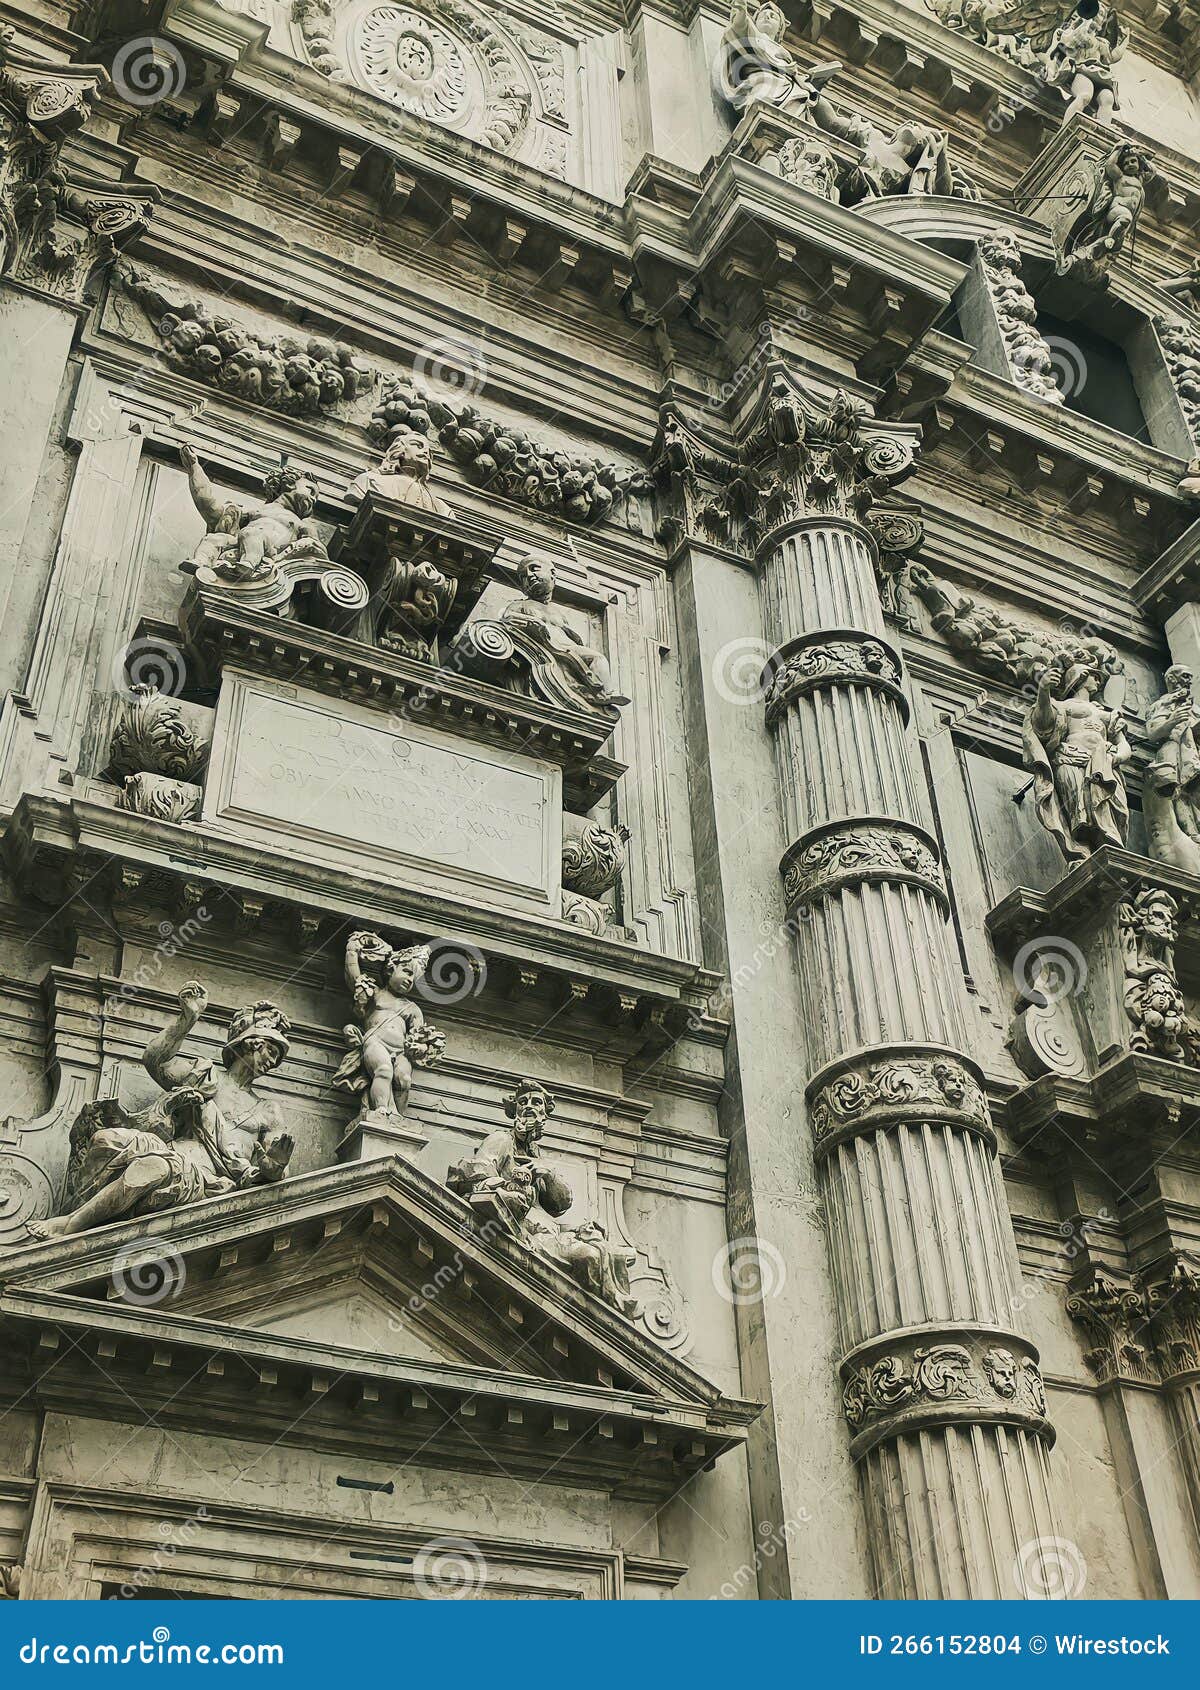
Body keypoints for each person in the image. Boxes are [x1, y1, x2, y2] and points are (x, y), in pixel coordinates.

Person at [29, 985, 293, 1239]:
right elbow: (155, 1061)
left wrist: (274, 1167)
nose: (272, 1061)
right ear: (249, 1043)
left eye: (277, 1057)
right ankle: (87, 1204)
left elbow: (273, 1169)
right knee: (105, 1139)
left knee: (152, 1166)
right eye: (270, 1050)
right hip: (172, 1148)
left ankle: (70, 1224)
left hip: (206, 1176)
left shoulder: (268, 1111)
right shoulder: (206, 1075)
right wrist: (186, 1020)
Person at [1022, 654, 1130, 860]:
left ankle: (1111, 855)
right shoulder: (1063, 706)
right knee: (1078, 815)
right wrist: (1043, 690)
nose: (1098, 681)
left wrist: (1117, 757)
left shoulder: (1108, 713)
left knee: (1112, 813)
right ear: (1079, 677)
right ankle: (1082, 855)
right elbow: (1043, 725)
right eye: (1093, 676)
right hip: (1071, 760)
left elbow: (1122, 743)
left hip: (1105, 764)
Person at [333, 932, 445, 1118]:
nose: (410, 980)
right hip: (375, 1041)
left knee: (404, 1080)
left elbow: (421, 1036)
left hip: (401, 1050)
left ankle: (398, 1118)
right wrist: (352, 951)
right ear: (391, 969)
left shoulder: (412, 1008)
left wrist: (422, 1046)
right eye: (407, 972)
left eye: (414, 978)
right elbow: (353, 977)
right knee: (383, 1070)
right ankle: (380, 1111)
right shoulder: (375, 993)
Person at [503, 553, 628, 705]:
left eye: (534, 569)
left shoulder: (557, 612)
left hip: (568, 647)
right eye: (523, 576)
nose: (529, 576)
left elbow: (568, 632)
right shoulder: (520, 605)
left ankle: (605, 693)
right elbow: (508, 619)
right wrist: (533, 623)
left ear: (552, 574)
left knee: (598, 658)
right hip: (548, 645)